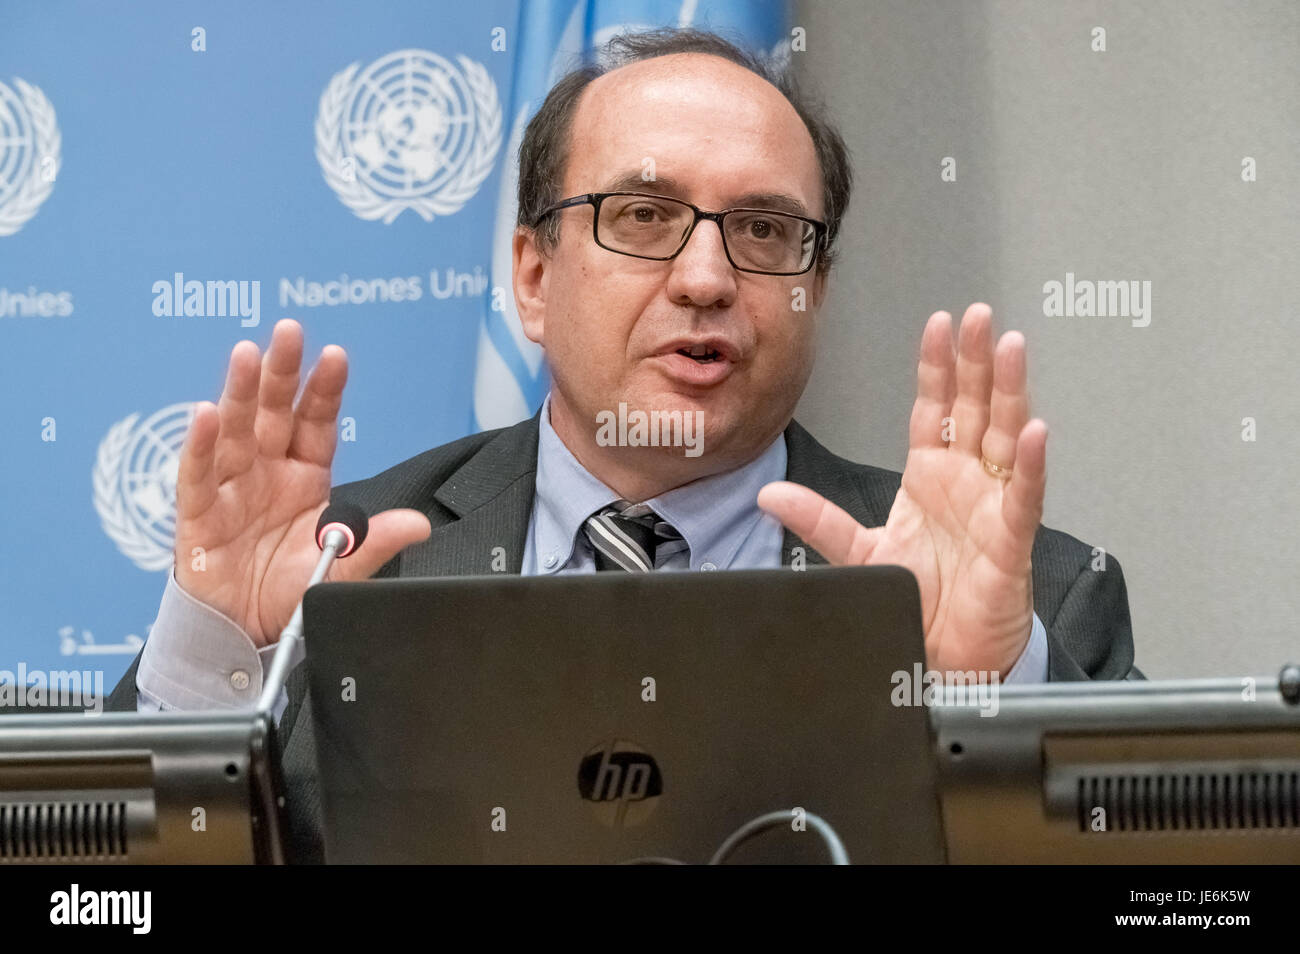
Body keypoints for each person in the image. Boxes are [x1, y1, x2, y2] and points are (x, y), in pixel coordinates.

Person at [106, 28, 1138, 861]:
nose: (705, 278)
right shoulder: (340, 569)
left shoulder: (1035, 601)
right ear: (532, 277)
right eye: (642, 215)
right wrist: (213, 668)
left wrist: (983, 699)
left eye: (767, 231)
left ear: (812, 288)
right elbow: (89, 904)